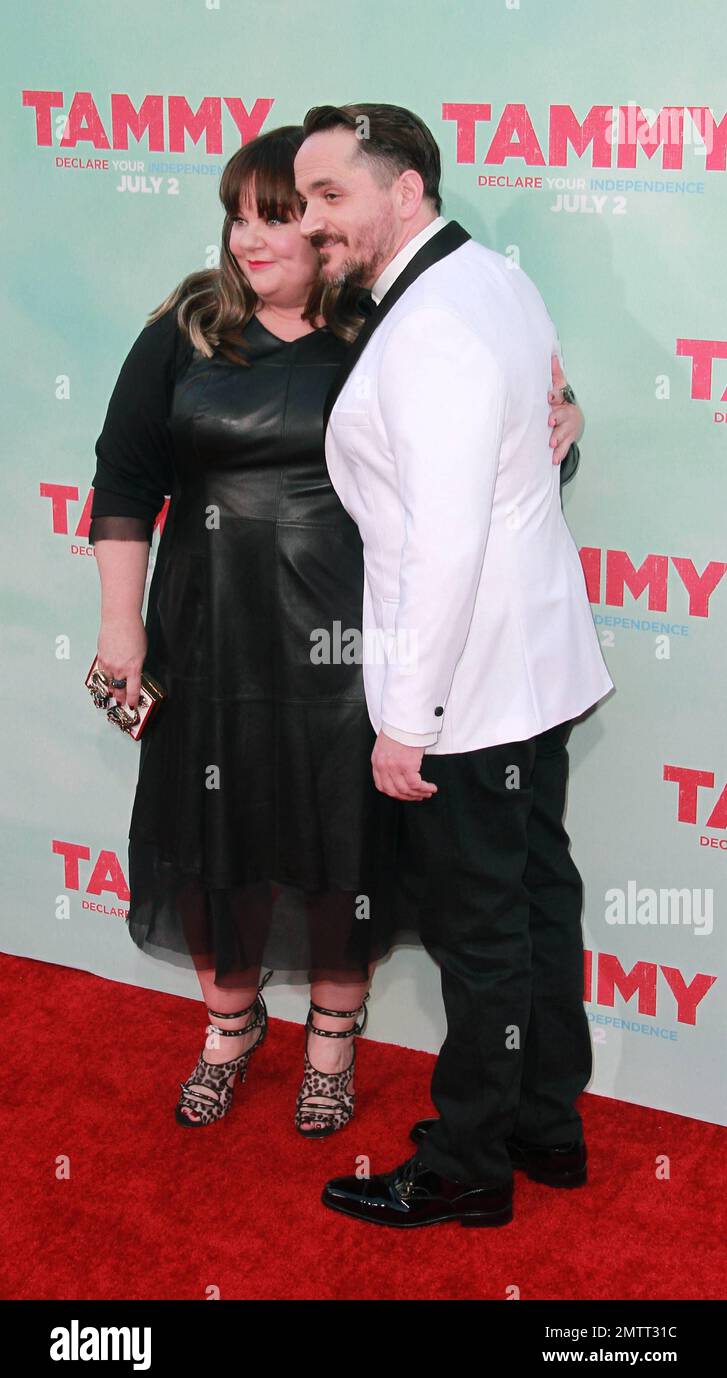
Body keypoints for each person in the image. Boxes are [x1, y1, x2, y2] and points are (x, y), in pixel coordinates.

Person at [88, 123, 585, 1139]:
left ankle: (332, 1042)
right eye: (242, 215)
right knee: (204, 834)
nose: (256, 236)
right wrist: (119, 630)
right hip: (207, 633)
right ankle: (230, 1029)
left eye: (284, 213)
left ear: (331, 227)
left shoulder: (386, 326)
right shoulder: (178, 333)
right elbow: (124, 486)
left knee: (338, 844)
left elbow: (488, 449)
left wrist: (566, 423)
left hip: (348, 645)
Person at [292, 103, 614, 1227]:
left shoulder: (431, 320)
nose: (312, 219)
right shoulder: (495, 281)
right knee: (533, 896)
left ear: (407, 192)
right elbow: (532, 447)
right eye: (304, 199)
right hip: (530, 667)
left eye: (333, 195)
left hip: (469, 684)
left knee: (482, 927)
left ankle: (469, 1162)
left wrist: (409, 716)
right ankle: (544, 1127)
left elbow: (444, 540)